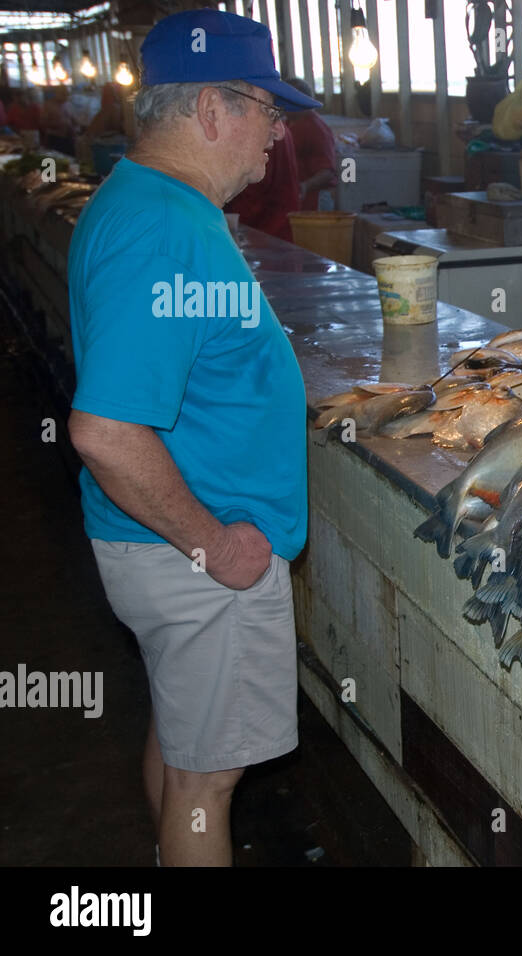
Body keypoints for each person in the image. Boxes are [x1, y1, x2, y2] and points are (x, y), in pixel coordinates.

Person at [66, 9, 321, 867]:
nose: (278, 138)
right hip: (197, 552)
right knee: (210, 785)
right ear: (213, 109)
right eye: (270, 113)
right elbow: (104, 430)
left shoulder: (151, 202)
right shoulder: (166, 230)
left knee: (188, 756)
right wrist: (215, 546)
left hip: (164, 546)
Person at [224, 122, 300, 241]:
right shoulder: (281, 132)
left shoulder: (264, 134)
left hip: (265, 227)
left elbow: (252, 193)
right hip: (279, 224)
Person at [284, 77, 338, 210]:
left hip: (314, 201)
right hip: (296, 200)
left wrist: (304, 186)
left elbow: (327, 172)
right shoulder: (288, 124)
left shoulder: (316, 129)